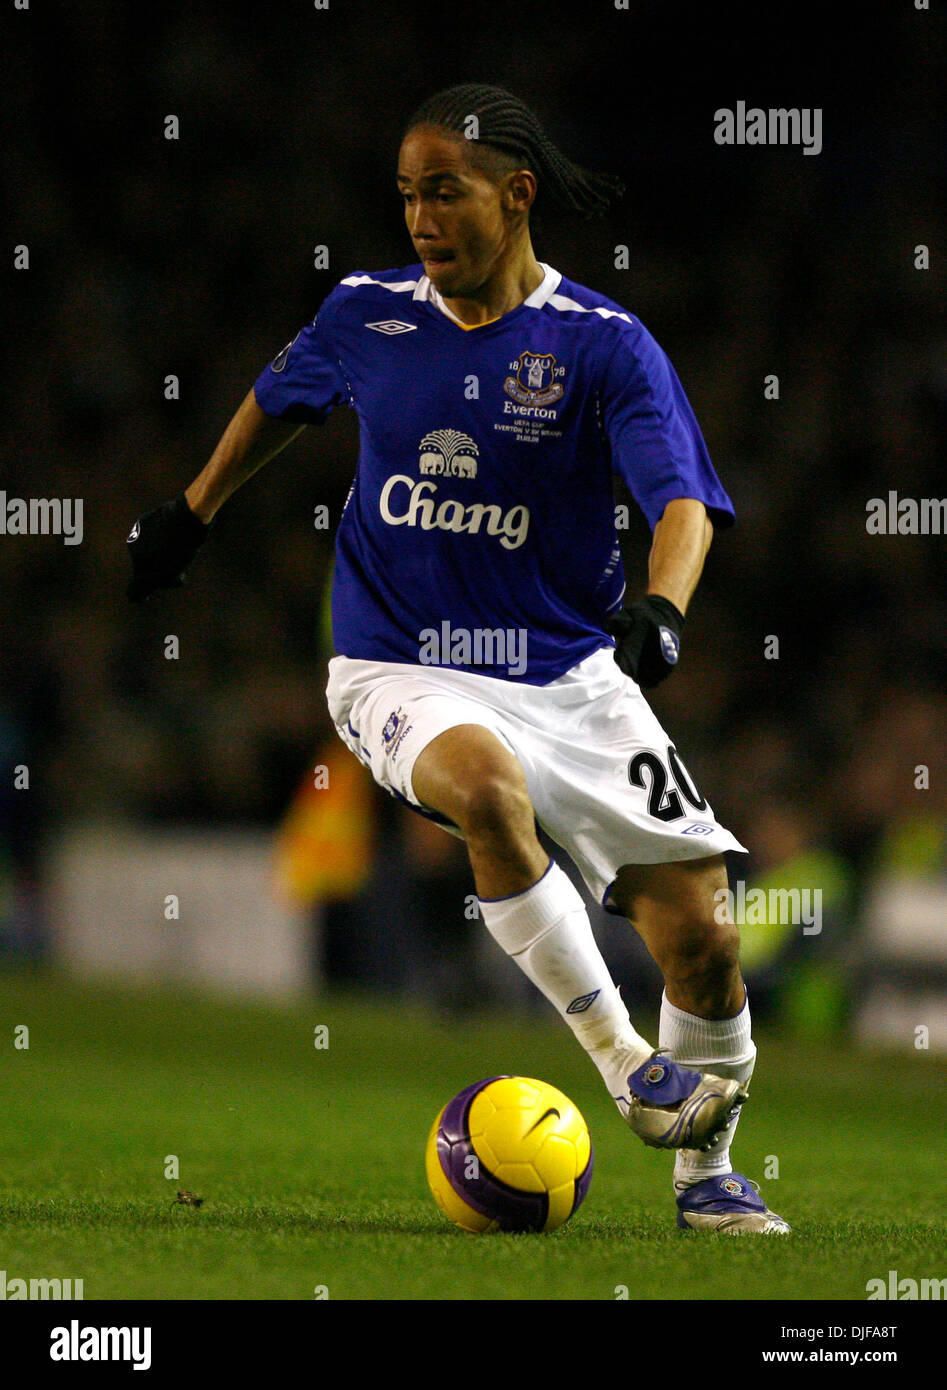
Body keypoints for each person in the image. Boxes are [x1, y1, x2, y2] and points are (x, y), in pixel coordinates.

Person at [126, 83, 788, 1234]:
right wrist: (191, 514)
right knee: (484, 786)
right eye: (405, 196)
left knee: (706, 936)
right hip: (398, 665)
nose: (420, 219)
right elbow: (275, 404)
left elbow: (680, 497)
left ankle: (706, 1177)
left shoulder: (602, 346)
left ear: (515, 194)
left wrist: (664, 610)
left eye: (445, 191)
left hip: (572, 674)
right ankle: (626, 1064)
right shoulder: (365, 313)